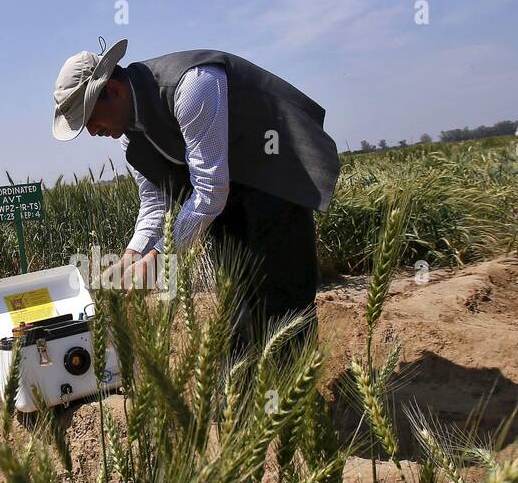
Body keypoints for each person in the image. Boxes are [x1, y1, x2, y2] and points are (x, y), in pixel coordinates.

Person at [52, 39, 340, 351]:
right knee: (239, 303)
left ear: (116, 90)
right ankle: (243, 393)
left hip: (275, 176)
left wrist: (160, 257)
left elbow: (210, 189)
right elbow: (154, 204)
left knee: (282, 300)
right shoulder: (130, 139)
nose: (93, 132)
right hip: (228, 203)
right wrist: (131, 256)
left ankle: (292, 391)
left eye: (90, 119)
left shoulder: (193, 86)